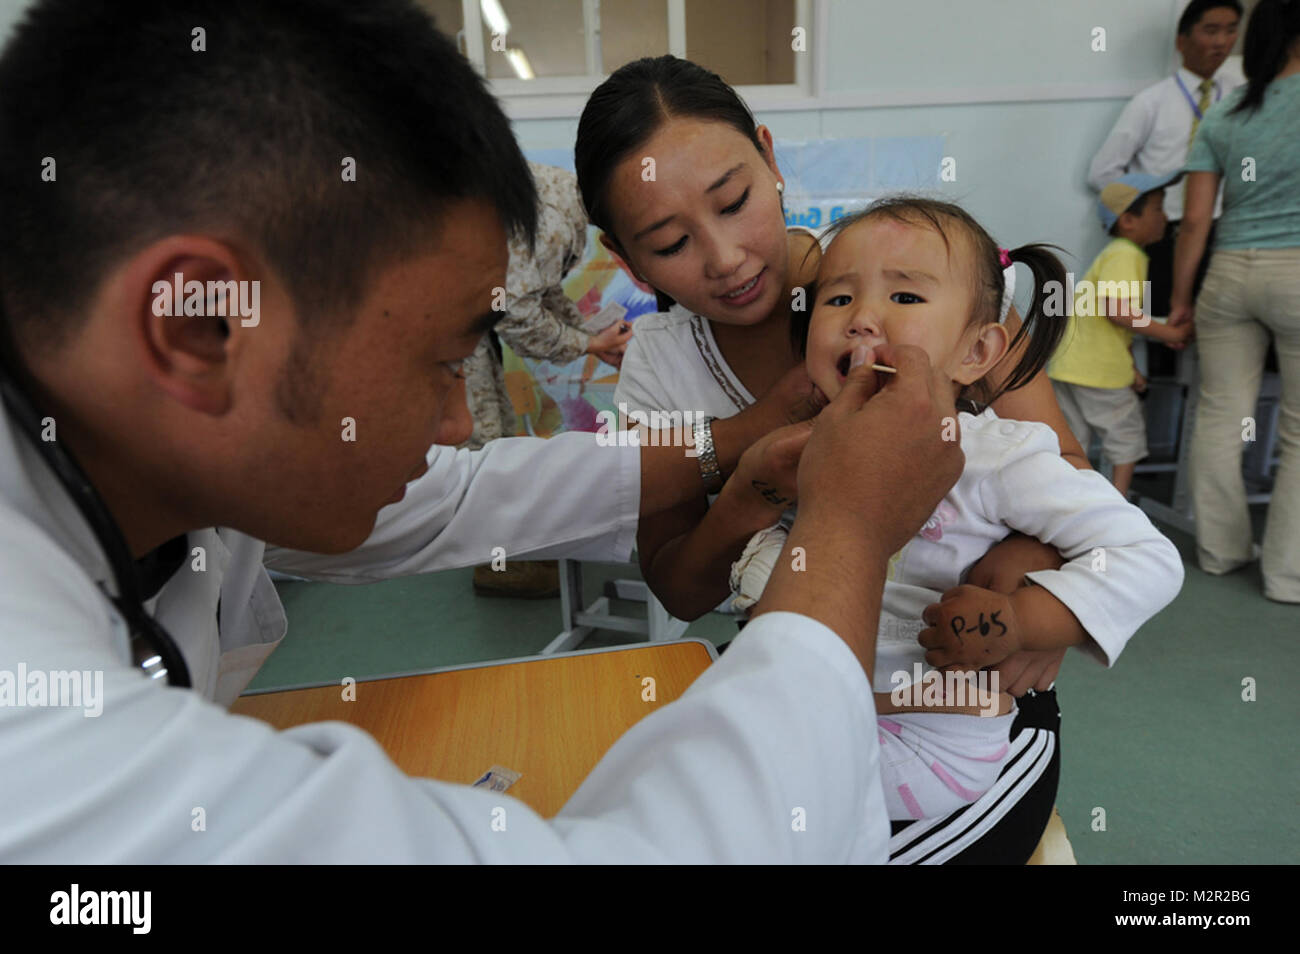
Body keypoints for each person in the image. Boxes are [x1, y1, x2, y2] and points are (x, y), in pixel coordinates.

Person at [0, 0, 963, 862]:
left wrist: (744, 437)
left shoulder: (154, 466)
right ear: (198, 324)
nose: (460, 416)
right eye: (439, 359)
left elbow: (460, 496)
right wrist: (845, 532)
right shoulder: (33, 736)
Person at [575, 55, 1098, 864]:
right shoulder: (660, 364)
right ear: (626, 257)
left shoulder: (920, 276)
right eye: (672, 242)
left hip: (959, 709)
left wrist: (1020, 600)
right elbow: (678, 584)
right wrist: (753, 483)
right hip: (794, 685)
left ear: (771, 157)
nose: (724, 258)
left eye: (735, 201)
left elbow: (1068, 468)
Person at [729, 198, 1184, 822]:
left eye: (906, 299)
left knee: (756, 803)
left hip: (932, 743)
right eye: (838, 301)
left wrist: (1025, 621)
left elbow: (1148, 556)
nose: (862, 318)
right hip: (820, 703)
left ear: (977, 353)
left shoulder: (1001, 458)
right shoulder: (802, 449)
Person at [1170, 0, 1300, 603]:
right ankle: (1286, 575)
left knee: (1221, 415)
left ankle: (1220, 552)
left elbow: (1195, 224)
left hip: (1228, 273)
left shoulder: (1225, 115)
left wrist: (1180, 302)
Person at [461, 162, 632, 599]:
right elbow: (515, 310)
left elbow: (542, 286)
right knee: (478, 438)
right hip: (447, 312)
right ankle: (492, 564)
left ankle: (498, 556)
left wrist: (590, 337)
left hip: (465, 308)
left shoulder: (561, 197)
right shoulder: (557, 219)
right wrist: (587, 346)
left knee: (494, 432)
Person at [1088, 0, 1244, 336]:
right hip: (1165, 235)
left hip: (1223, 233)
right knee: (1162, 326)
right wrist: (1146, 211)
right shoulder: (1152, 102)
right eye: (1211, 30)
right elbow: (1103, 172)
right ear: (1182, 40)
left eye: (1231, 30)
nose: (1221, 42)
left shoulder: (1239, 99)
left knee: (1216, 327)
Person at [1049, 173, 1194, 496]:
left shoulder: (1113, 255)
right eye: (1158, 209)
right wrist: (1169, 331)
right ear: (1128, 220)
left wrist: (1131, 369)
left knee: (1073, 440)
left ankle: (1070, 501)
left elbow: (1109, 326)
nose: (1166, 217)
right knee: (1125, 438)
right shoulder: (1126, 254)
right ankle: (1118, 505)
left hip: (1070, 365)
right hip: (1095, 372)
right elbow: (1119, 313)